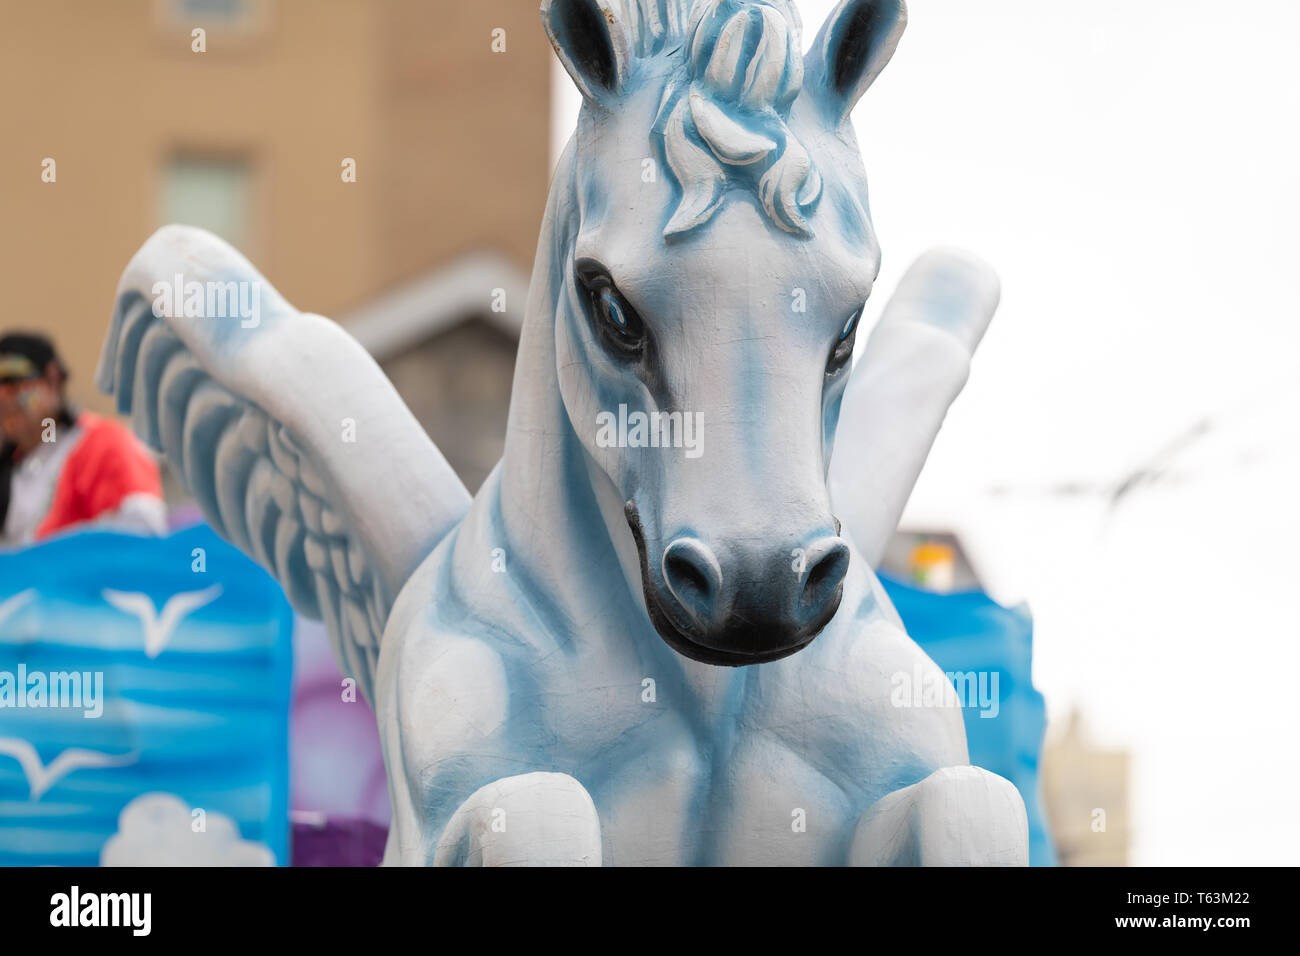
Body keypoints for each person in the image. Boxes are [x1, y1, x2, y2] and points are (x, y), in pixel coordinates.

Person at [0, 332, 166, 545]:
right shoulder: (11, 463)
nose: (3, 399)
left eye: (13, 383)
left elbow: (142, 535)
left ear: (52, 379)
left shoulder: (104, 444)